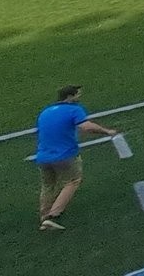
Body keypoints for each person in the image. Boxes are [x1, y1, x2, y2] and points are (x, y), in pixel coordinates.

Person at [35, 85, 118, 231]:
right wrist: (107, 131)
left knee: (48, 185)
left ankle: (44, 216)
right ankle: (53, 216)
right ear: (69, 97)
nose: (79, 98)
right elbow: (86, 127)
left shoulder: (45, 112)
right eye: (77, 95)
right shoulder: (74, 109)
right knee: (72, 181)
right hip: (65, 156)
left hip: (43, 156)